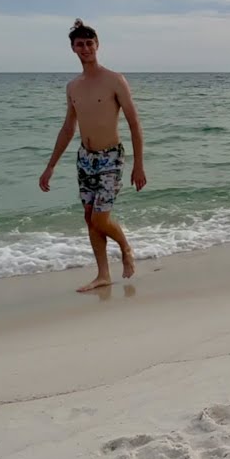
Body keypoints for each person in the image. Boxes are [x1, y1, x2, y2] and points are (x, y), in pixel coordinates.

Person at [39, 18, 147, 292]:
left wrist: (139, 165)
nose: (85, 48)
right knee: (89, 217)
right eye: (80, 44)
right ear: (73, 49)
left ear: (97, 45)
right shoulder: (73, 87)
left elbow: (134, 123)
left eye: (89, 43)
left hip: (111, 157)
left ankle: (125, 248)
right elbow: (68, 128)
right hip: (85, 159)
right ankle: (103, 274)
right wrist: (50, 166)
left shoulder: (114, 80)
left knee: (100, 218)